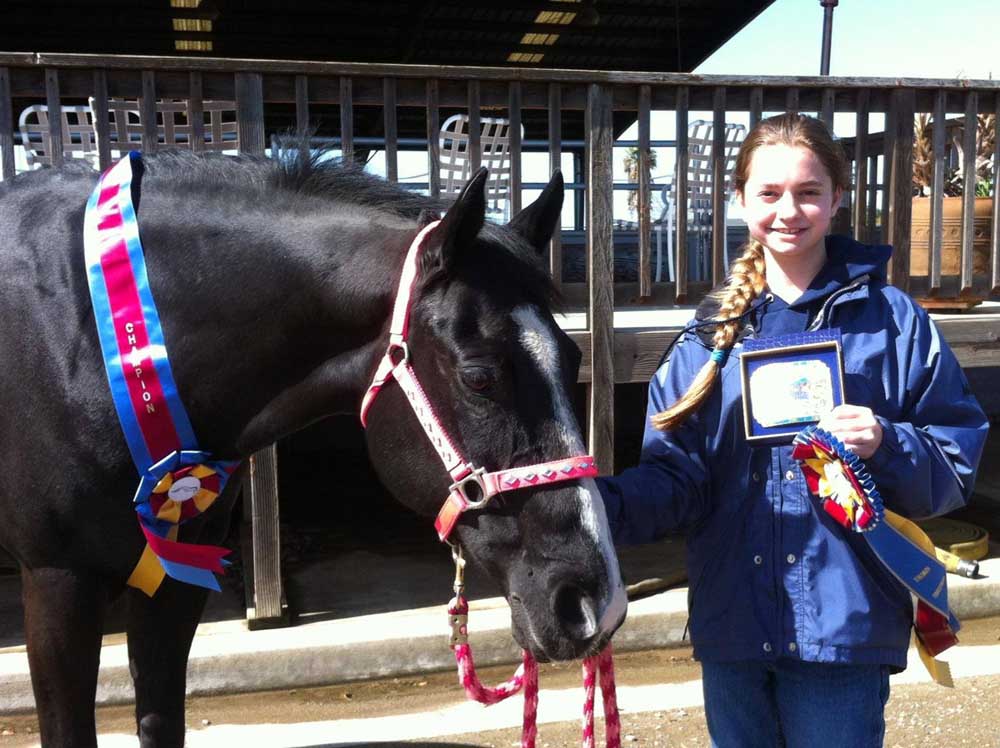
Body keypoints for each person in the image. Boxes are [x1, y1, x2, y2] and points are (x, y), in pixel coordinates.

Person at [597, 112, 988, 747]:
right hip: (732, 627)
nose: (790, 211)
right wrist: (590, 505)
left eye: (808, 193)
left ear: (837, 199)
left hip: (845, 631)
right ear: (740, 199)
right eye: (769, 193)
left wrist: (887, 442)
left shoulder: (894, 323)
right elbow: (677, 483)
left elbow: (954, 464)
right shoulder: (707, 338)